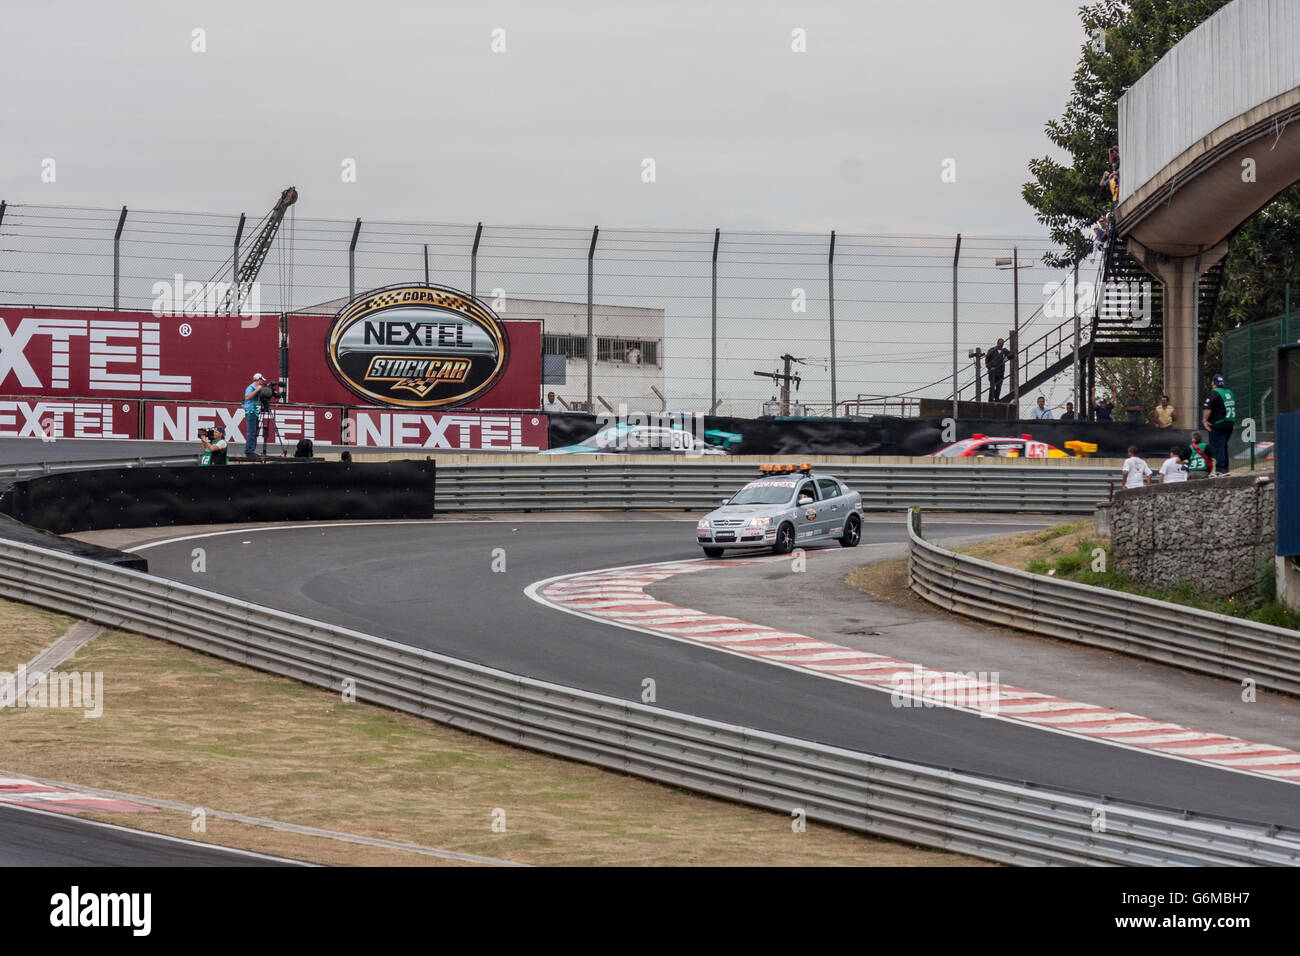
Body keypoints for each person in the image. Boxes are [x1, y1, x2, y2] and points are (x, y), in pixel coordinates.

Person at [1201, 372, 1236, 475]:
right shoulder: (1230, 393)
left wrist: (1205, 420)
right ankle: (1225, 468)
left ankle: (1220, 470)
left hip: (1218, 423)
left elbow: (1207, 408)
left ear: (1213, 383)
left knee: (1217, 446)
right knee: (1223, 446)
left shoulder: (1214, 393)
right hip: (1230, 423)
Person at [242, 372, 274, 457]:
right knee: (251, 432)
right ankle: (249, 451)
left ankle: (251, 450)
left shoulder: (257, 388)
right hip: (251, 412)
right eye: (261, 380)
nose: (262, 382)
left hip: (255, 412)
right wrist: (256, 390)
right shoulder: (251, 387)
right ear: (258, 380)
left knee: (254, 432)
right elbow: (247, 397)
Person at [985, 338, 1011, 402]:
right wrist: (990, 367)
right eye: (1000, 343)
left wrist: (1007, 357)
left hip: (1000, 372)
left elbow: (1012, 354)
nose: (1001, 345)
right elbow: (987, 360)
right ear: (997, 343)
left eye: (1002, 343)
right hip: (992, 372)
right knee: (992, 386)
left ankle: (996, 398)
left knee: (999, 387)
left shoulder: (1004, 351)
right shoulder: (991, 350)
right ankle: (990, 400)